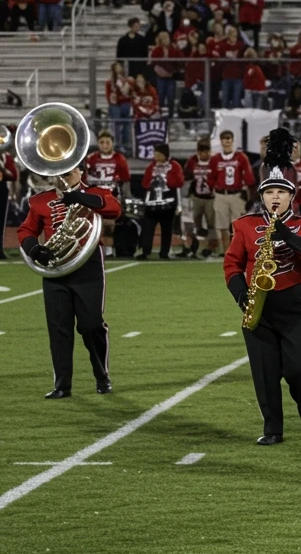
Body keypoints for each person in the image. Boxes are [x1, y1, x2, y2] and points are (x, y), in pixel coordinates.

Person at [225, 129, 301, 445]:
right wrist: (241, 293)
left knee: (299, 369)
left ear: (291, 196)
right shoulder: (245, 226)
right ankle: (272, 428)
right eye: (269, 192)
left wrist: (287, 235)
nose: (274, 197)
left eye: (281, 192)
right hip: (257, 303)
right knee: (264, 372)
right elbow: (231, 264)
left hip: (293, 303)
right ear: (261, 196)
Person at [18, 155, 123, 398]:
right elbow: (25, 230)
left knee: (91, 324)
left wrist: (80, 198)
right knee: (59, 329)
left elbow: (115, 210)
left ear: (80, 172)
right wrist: (34, 248)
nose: (63, 179)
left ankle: (102, 375)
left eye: (68, 173)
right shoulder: (40, 200)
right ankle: (62, 385)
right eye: (58, 174)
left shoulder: (95, 193)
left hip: (87, 267)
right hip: (56, 270)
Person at [210, 130, 255, 256]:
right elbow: (211, 178)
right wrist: (213, 189)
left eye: (229, 138)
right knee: (222, 225)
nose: (227, 141)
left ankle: (238, 252)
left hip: (236, 194)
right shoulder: (215, 159)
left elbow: (249, 177)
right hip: (220, 194)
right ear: (221, 141)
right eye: (224, 138)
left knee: (238, 226)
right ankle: (227, 253)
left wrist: (247, 190)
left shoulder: (241, 157)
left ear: (232, 140)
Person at [139, 143, 184, 260]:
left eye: (159, 155)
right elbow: (145, 183)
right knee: (148, 227)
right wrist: (152, 184)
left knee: (167, 229)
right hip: (152, 203)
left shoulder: (174, 166)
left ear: (166, 155)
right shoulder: (151, 167)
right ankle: (145, 251)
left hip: (168, 203)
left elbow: (179, 182)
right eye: (155, 154)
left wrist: (165, 182)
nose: (157, 157)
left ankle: (164, 252)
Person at [184, 137, 217, 258]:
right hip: (197, 196)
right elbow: (186, 176)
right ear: (198, 151)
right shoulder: (193, 161)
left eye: (206, 150)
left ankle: (212, 246)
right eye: (201, 150)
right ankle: (196, 246)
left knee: (211, 223)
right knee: (196, 223)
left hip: (211, 197)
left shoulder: (214, 160)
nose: (204, 153)